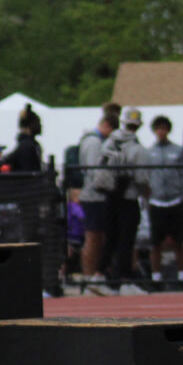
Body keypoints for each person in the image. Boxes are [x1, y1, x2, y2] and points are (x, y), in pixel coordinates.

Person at [101, 108, 151, 291]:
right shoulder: (138, 149)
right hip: (128, 197)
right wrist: (146, 194)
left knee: (110, 237)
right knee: (126, 240)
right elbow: (142, 178)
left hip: (109, 195)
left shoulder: (109, 142)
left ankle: (100, 274)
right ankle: (123, 279)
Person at [145, 115, 183, 283]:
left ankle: (182, 275)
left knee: (179, 241)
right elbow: (147, 176)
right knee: (155, 242)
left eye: (164, 128)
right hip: (157, 201)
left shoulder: (178, 150)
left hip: (175, 200)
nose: (161, 132)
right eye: (158, 129)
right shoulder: (149, 152)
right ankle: (156, 276)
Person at [76, 109, 116, 289]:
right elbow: (94, 170)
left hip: (94, 194)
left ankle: (92, 276)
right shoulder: (94, 142)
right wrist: (105, 185)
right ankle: (89, 276)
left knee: (97, 237)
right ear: (106, 125)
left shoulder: (91, 140)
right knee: (93, 237)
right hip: (94, 196)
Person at [3, 106, 43, 172]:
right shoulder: (27, 146)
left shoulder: (31, 144)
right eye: (37, 122)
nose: (40, 126)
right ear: (30, 125)